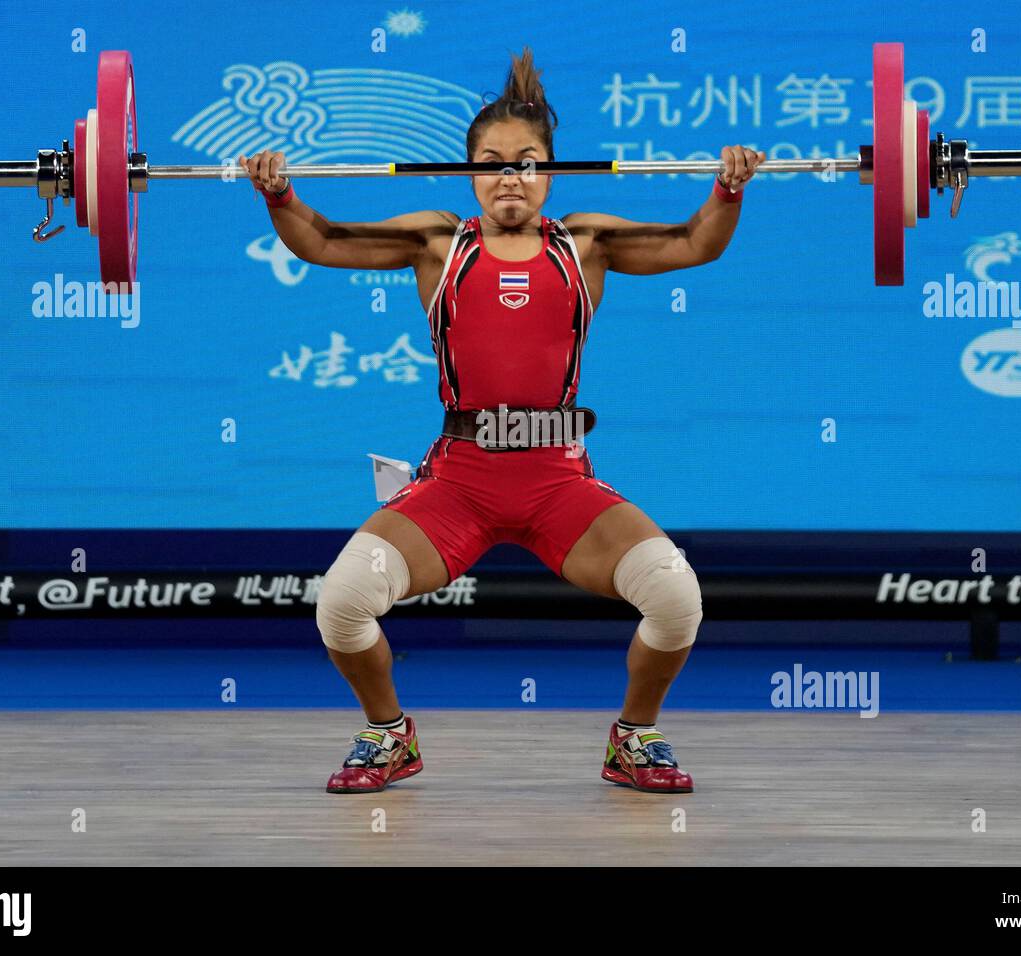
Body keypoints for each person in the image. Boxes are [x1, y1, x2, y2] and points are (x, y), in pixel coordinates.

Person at [239, 46, 763, 795]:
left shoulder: (585, 243)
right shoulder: (435, 242)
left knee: (677, 598)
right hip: (460, 481)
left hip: (558, 483)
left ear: (551, 171)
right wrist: (280, 195)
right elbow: (321, 239)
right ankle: (388, 736)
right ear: (471, 173)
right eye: (492, 163)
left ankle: (634, 738)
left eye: (526, 162)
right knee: (342, 602)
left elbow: (693, 240)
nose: (510, 176)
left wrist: (729, 187)